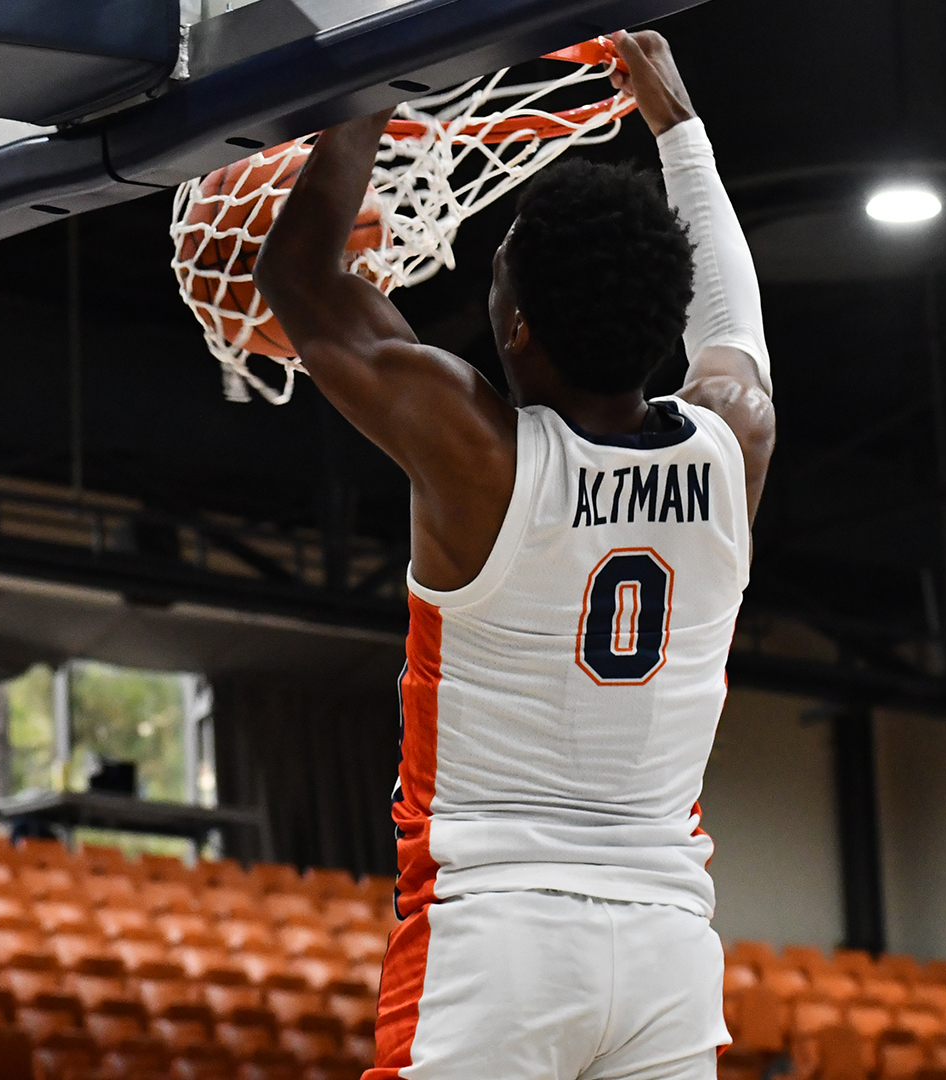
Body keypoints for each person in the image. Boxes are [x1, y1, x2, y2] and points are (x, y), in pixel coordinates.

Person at [253, 30, 774, 1080]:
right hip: (671, 947)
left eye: (499, 274)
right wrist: (682, 132)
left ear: (519, 327)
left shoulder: (476, 448)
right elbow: (729, 312)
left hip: (500, 936)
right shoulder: (734, 441)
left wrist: (372, 69)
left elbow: (298, 279)